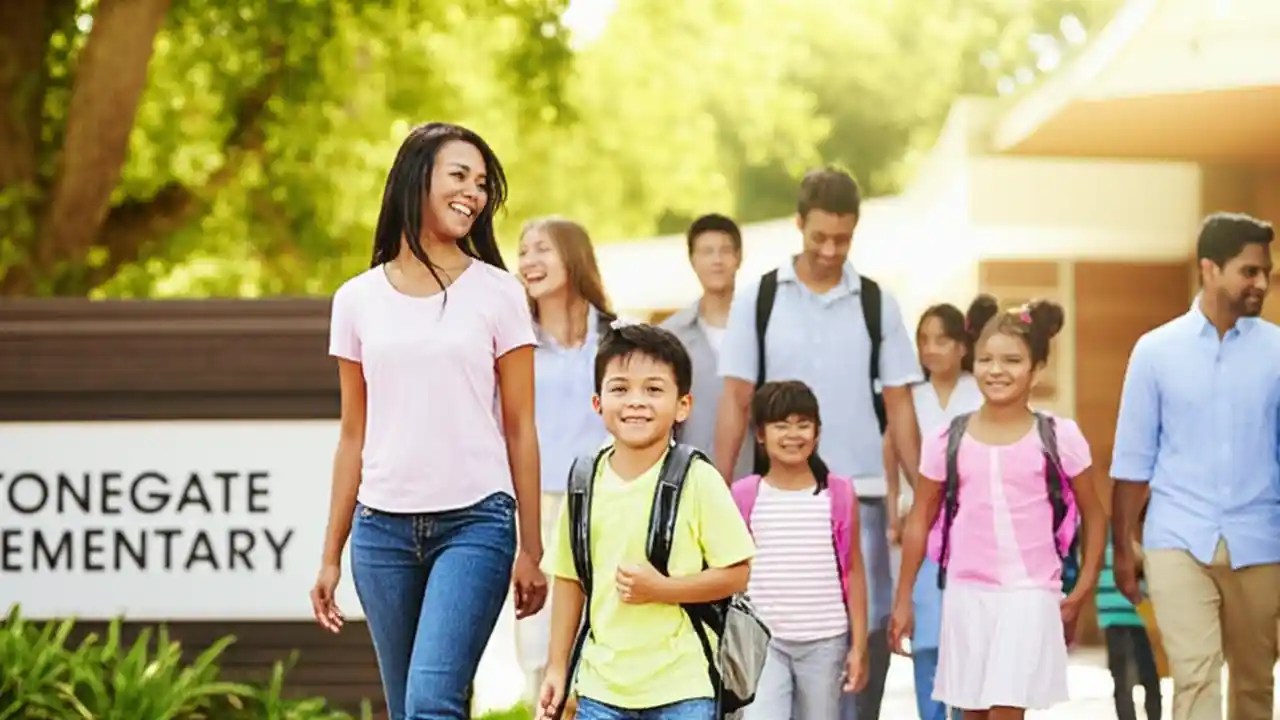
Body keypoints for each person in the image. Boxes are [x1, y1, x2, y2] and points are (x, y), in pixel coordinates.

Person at [310, 122, 546, 720]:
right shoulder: (356, 299)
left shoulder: (498, 293)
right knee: (406, 708)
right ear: (418, 178)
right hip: (380, 532)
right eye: (459, 175)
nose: (474, 192)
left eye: (483, 183)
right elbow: (352, 435)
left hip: (476, 523)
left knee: (430, 702)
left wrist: (532, 548)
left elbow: (521, 426)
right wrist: (331, 554)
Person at [714, 166, 924, 719]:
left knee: (866, 627)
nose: (831, 250)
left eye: (844, 238)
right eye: (820, 237)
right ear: (799, 224)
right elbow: (736, 400)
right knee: (775, 624)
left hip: (864, 494)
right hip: (776, 500)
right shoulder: (759, 299)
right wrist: (712, 490)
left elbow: (900, 406)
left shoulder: (877, 303)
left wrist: (926, 493)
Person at [889, 300, 1107, 720]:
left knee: (1006, 710)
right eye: (986, 359)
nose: (996, 370)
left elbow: (1094, 515)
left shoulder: (1060, 436)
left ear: (1037, 368)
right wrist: (904, 599)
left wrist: (1082, 590)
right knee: (970, 714)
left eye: (1012, 360)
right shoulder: (945, 439)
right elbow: (920, 519)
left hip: (1029, 594)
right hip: (965, 594)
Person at [536, 324, 756, 720]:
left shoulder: (697, 478)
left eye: (653, 389)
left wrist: (663, 588)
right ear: (597, 402)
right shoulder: (584, 482)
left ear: (683, 405)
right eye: (620, 389)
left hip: (683, 687)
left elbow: (737, 574)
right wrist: (557, 667)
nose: (636, 401)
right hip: (601, 687)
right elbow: (568, 578)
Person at [1111, 212, 1280, 720]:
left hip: (1261, 538)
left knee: (1253, 686)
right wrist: (1124, 549)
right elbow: (1132, 461)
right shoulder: (1155, 351)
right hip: (1178, 538)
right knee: (1195, 677)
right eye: (1248, 271)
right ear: (1209, 269)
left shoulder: (1278, 351)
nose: (1261, 283)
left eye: (1265, 272)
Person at [516, 216, 616, 703]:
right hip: (536, 506)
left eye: (543, 250)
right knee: (540, 651)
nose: (529, 261)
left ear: (573, 258)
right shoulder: (513, 343)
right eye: (524, 251)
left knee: (606, 641)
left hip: (608, 507)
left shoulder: (618, 337)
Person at [732, 380, 869, 719]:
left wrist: (860, 645)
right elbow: (731, 572)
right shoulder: (745, 495)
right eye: (781, 425)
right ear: (761, 434)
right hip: (764, 642)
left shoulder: (837, 494)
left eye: (803, 424)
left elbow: (853, 569)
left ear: (817, 432)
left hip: (825, 642)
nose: (793, 435)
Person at [884, 298, 992, 720]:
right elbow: (891, 446)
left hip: (975, 524)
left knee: (968, 636)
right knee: (927, 636)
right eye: (924, 340)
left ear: (963, 346)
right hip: (925, 525)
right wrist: (894, 508)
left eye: (942, 340)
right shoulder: (912, 395)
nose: (931, 349)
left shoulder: (980, 390)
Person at [661, 213, 753, 479]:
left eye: (725, 251)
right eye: (707, 251)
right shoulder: (670, 335)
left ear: (739, 257)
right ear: (693, 260)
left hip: (751, 481)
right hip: (686, 477)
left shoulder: (761, 329)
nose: (717, 260)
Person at [1097, 528, 1161, 720]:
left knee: (1148, 676)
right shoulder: (1097, 532)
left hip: (1140, 614)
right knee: (1123, 679)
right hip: (1115, 616)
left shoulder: (1140, 528)